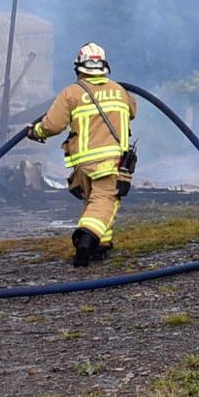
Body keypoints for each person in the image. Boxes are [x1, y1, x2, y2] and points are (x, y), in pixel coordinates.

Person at [24, 43, 134, 267]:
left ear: (79, 67)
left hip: (83, 163)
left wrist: (34, 131)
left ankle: (101, 245)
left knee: (94, 201)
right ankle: (85, 238)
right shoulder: (121, 91)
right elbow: (132, 111)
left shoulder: (71, 93)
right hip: (112, 160)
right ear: (104, 66)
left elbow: (52, 125)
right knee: (105, 200)